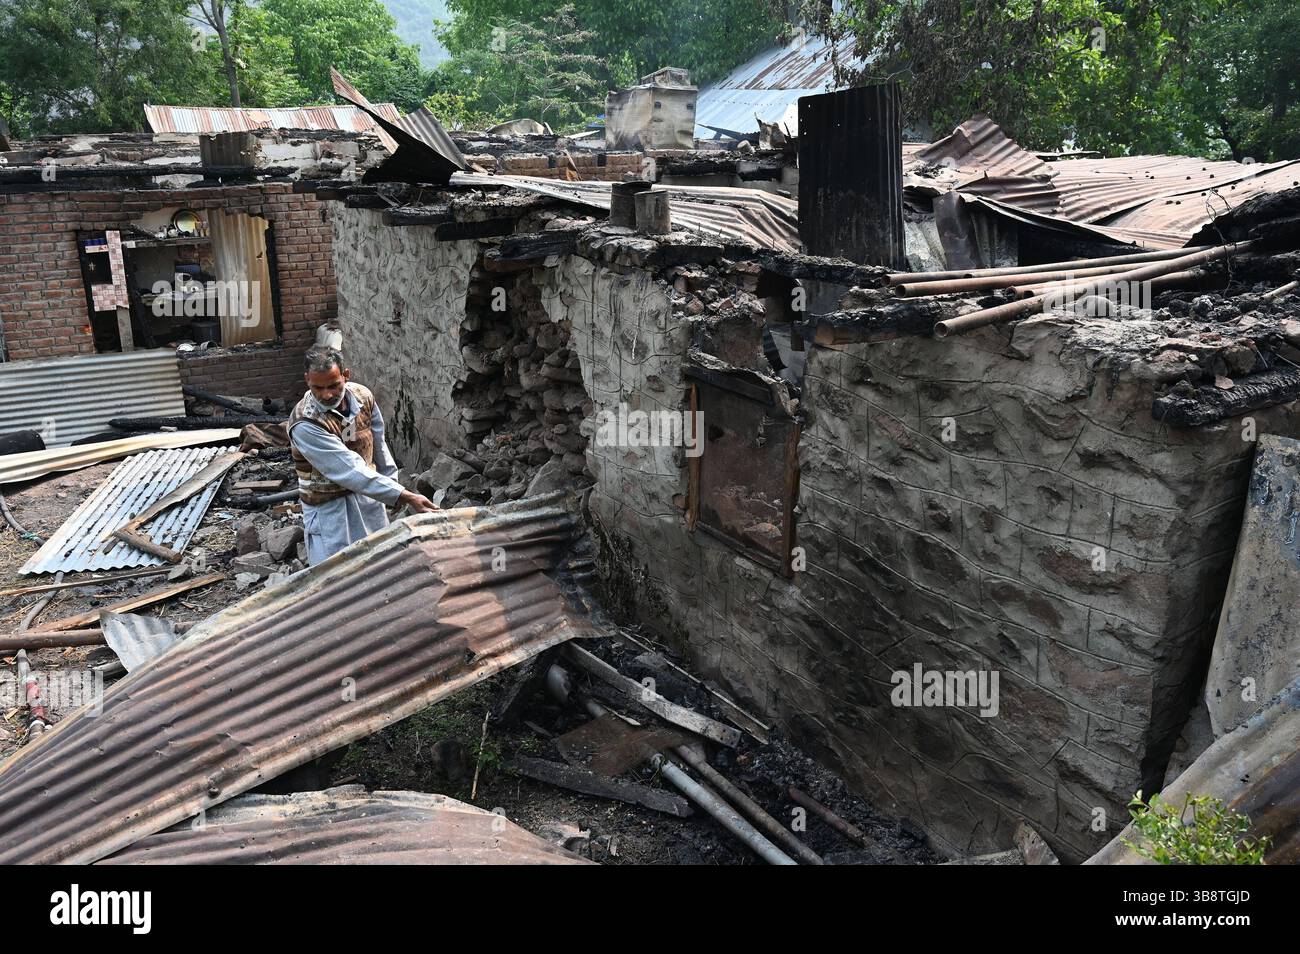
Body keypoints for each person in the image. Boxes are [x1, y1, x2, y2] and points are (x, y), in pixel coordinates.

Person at [287, 347, 437, 564]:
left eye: (333, 385)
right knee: (335, 576)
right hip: (329, 509)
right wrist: (403, 495)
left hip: (368, 498)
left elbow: (379, 447)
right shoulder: (305, 423)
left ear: (346, 376)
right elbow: (349, 469)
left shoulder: (362, 397)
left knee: (379, 564)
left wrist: (390, 486)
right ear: (307, 380)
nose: (326, 394)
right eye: (317, 387)